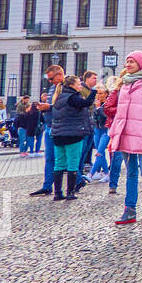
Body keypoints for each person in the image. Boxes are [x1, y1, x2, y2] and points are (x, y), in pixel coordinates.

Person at [108, 52, 142, 226]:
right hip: (126, 136)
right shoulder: (125, 84)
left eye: (132, 61)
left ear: (140, 63)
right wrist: (114, 136)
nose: (128, 64)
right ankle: (129, 210)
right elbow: (120, 114)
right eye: (127, 61)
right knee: (130, 174)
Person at [43, 67, 93, 202]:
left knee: (59, 163)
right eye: (78, 84)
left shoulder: (58, 97)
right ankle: (70, 192)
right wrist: (94, 91)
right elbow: (87, 103)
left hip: (58, 135)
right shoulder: (72, 97)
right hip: (72, 135)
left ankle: (58, 193)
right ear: (71, 85)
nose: (80, 86)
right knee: (72, 163)